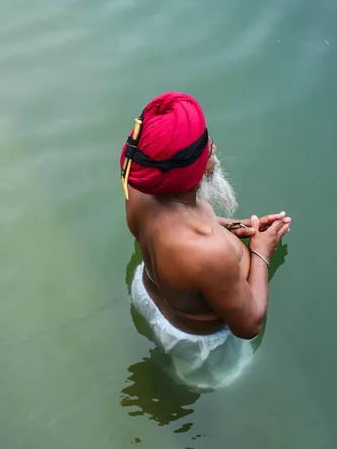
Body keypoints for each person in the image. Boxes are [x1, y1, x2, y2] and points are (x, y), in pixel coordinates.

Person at [120, 91, 291, 390]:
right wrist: (262, 251)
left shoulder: (137, 189)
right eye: (206, 147)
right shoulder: (207, 252)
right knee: (212, 382)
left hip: (147, 293)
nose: (213, 147)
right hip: (194, 338)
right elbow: (248, 325)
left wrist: (229, 227)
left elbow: (174, 229)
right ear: (190, 171)